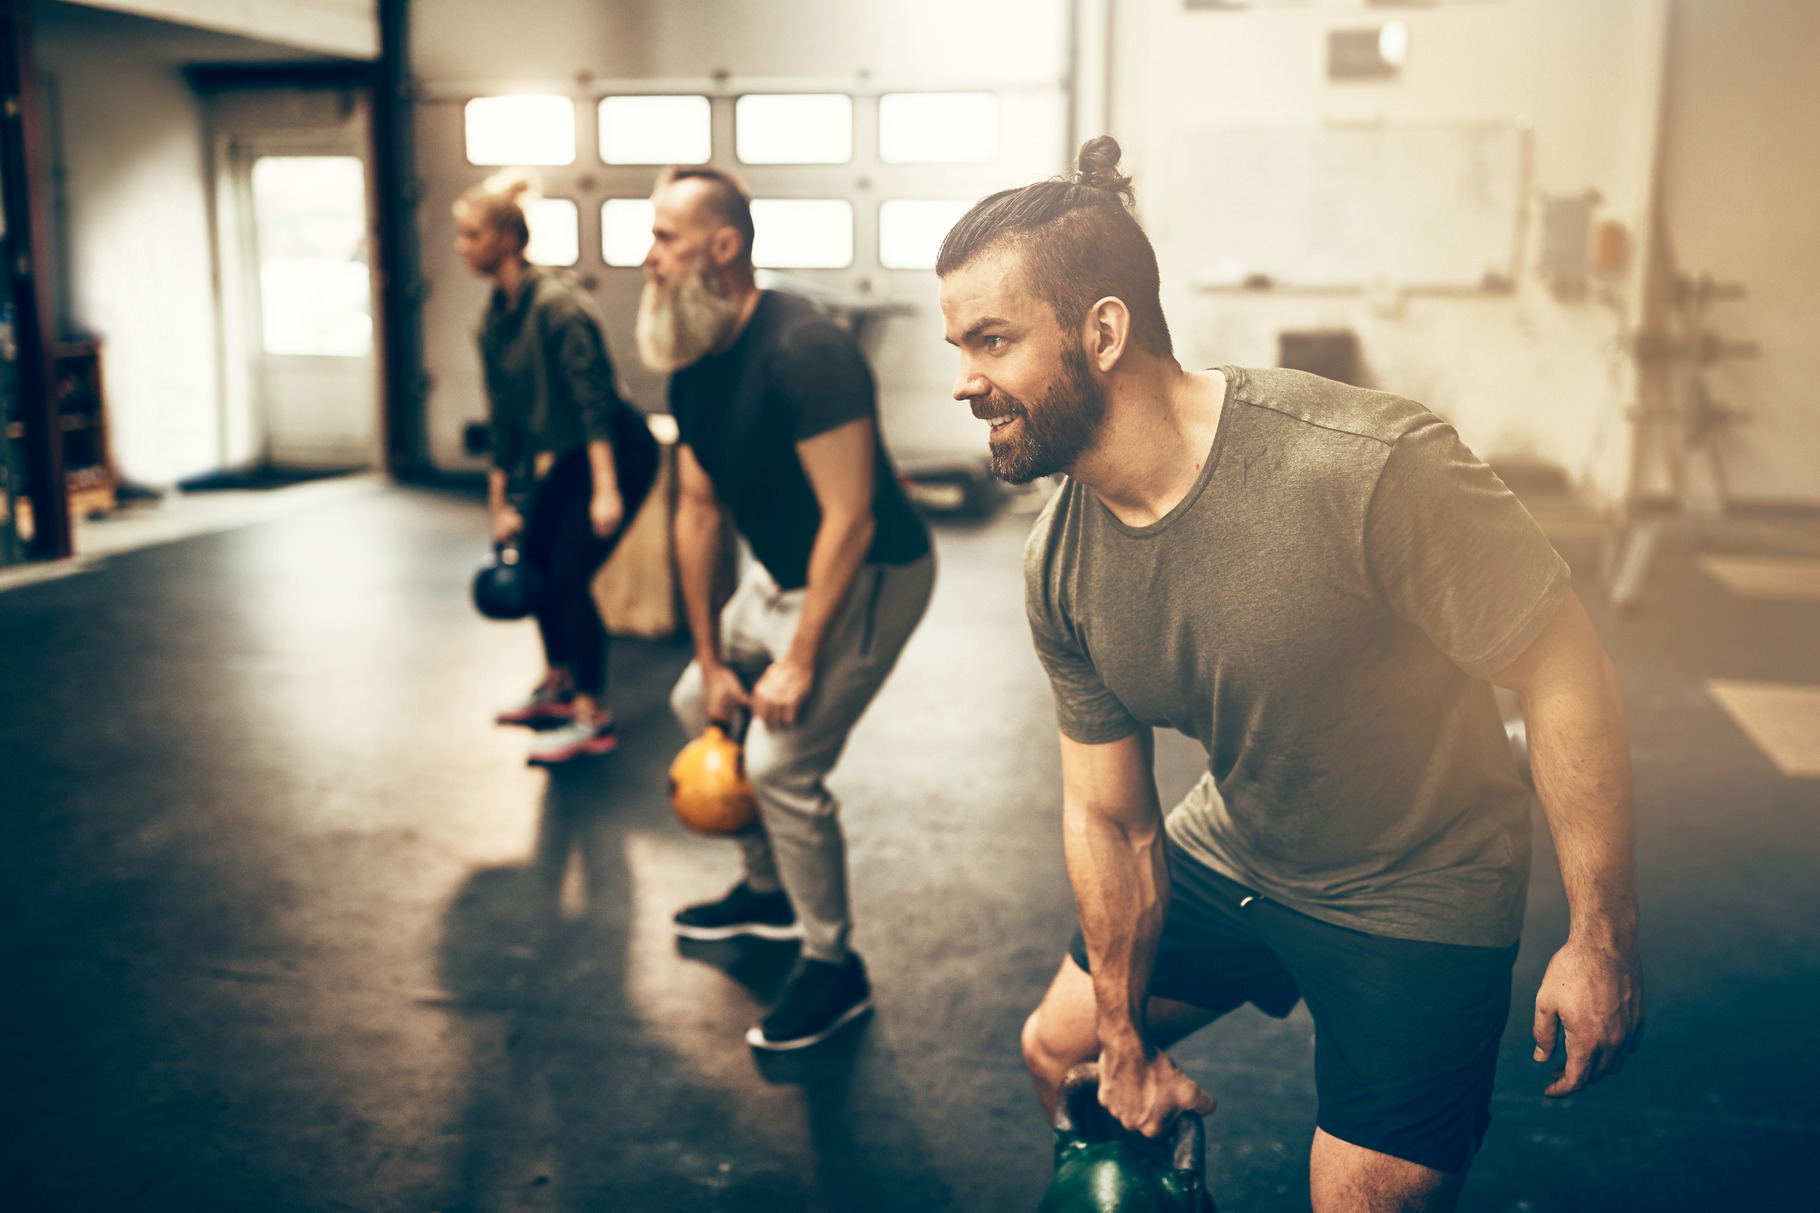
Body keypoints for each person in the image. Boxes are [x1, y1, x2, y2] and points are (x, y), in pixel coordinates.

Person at [937, 138, 1644, 1212]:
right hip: (1239, 845)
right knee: (1063, 1055)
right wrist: (1123, 1042)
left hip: (1417, 887)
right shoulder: (1061, 561)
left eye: (990, 341)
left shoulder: (1364, 468)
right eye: (958, 346)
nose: (963, 382)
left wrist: (1598, 938)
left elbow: (1563, 671)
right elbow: (1109, 818)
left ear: (1104, 330)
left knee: (1354, 1200)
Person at [637, 166, 935, 1050]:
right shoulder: (694, 362)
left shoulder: (806, 350)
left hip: (873, 570)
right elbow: (696, 511)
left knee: (778, 763)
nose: (647, 258)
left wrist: (799, 657)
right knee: (697, 703)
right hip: (778, 571)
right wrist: (716, 656)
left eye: (664, 238)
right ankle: (766, 894)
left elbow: (852, 517)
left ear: (722, 248)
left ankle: (833, 966)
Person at [455, 170, 659, 765]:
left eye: (471, 235)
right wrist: (503, 508)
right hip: (573, 453)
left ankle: (593, 717)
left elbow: (593, 404)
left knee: (569, 575)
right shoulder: (494, 317)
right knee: (537, 560)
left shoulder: (559, 308)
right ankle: (559, 684)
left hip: (617, 450)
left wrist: (605, 491)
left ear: (505, 239)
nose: (460, 246)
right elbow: (505, 423)